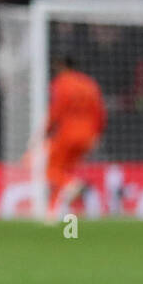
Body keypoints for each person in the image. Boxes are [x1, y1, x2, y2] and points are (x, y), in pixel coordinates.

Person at [44, 56, 107, 222]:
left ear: (61, 66)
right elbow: (100, 112)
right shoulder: (90, 84)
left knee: (52, 171)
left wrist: (46, 131)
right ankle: (53, 212)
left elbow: (56, 110)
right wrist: (97, 134)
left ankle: (76, 185)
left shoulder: (61, 83)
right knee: (66, 171)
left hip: (67, 134)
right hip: (88, 136)